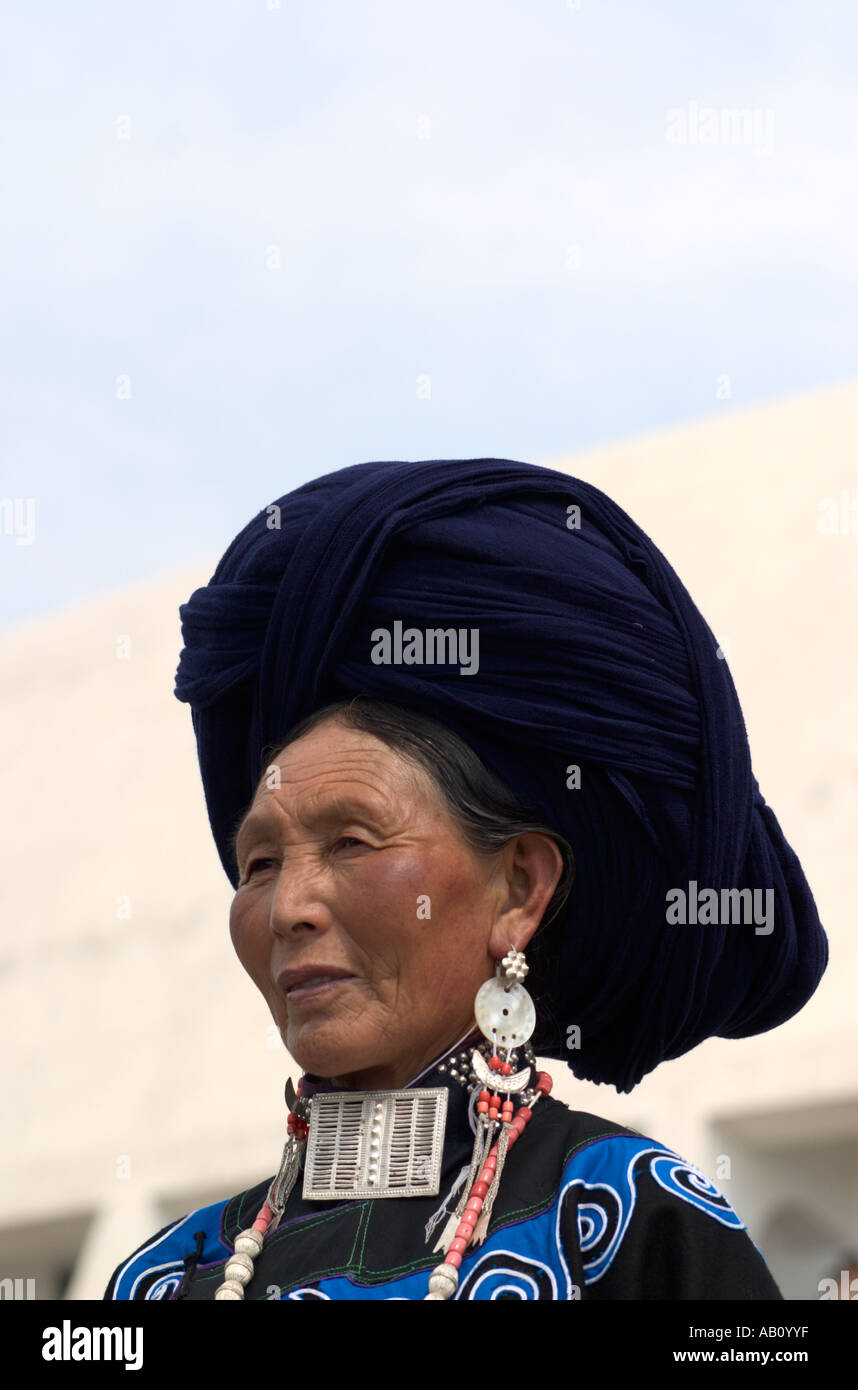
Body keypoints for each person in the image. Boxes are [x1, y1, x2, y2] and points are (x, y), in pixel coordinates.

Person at [104, 457, 826, 1300]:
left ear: (520, 890)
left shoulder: (624, 1223)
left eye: (351, 843)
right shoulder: (166, 1275)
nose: (289, 907)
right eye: (259, 863)